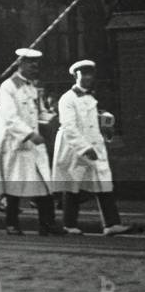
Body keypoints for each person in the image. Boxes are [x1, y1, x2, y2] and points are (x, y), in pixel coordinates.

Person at [0, 47, 64, 235]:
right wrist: (29, 134)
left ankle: (47, 224)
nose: (34, 66)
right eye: (30, 63)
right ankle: (12, 224)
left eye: (36, 63)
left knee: (43, 183)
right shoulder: (8, 87)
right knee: (15, 185)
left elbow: (38, 112)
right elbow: (10, 117)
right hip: (16, 144)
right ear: (20, 64)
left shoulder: (32, 87)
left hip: (34, 144)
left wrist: (52, 117)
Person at [53, 60, 130, 236]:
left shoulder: (91, 98)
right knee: (73, 184)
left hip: (94, 147)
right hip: (75, 149)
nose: (87, 78)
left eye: (90, 74)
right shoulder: (67, 99)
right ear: (75, 76)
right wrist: (83, 147)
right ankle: (69, 224)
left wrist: (106, 129)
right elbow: (69, 126)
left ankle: (111, 224)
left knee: (103, 183)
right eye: (83, 74)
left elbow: (93, 124)